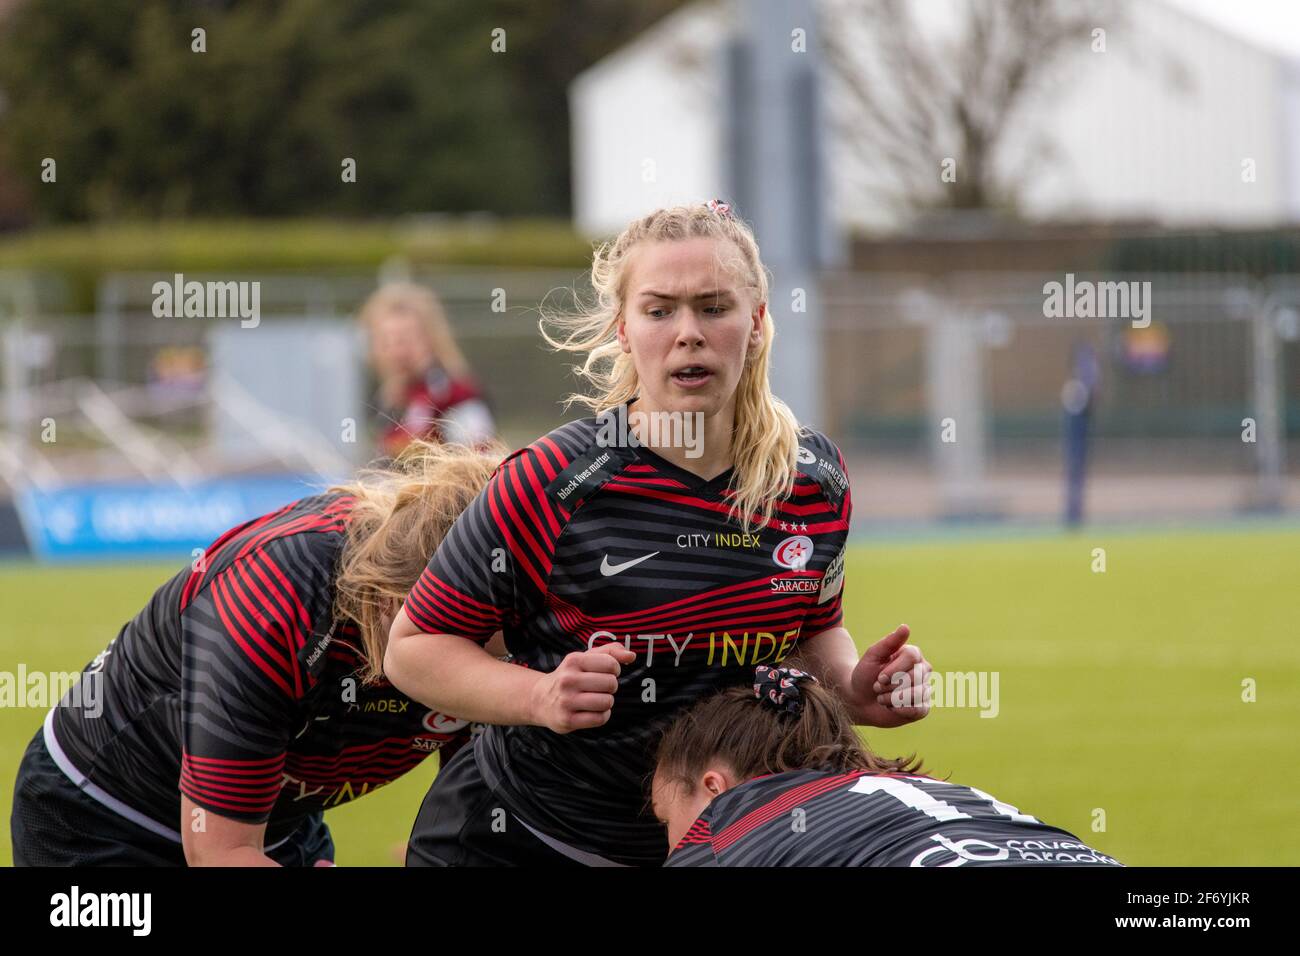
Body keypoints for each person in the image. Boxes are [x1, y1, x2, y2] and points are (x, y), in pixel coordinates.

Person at [386, 200, 932, 867]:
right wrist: (539, 695)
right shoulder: (552, 482)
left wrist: (852, 689)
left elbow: (813, 631)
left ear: (757, 322)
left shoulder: (814, 480)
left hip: (711, 846)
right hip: (520, 838)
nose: (688, 334)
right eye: (659, 310)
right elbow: (413, 650)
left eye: (713, 307)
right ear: (624, 329)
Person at [10, 440, 505, 866]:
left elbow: (484, 827)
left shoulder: (514, 623)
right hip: (103, 816)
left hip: (276, 822)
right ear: (391, 603)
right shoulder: (275, 601)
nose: (486, 665)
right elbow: (220, 853)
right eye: (466, 643)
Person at [653, 666, 1123, 867]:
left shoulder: (725, 838)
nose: (671, 844)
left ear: (714, 788)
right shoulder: (917, 789)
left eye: (666, 820)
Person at [359, 281, 497, 456]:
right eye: (385, 342)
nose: (396, 352)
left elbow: (480, 461)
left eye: (404, 340)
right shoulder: (386, 402)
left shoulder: (455, 397)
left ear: (431, 338)